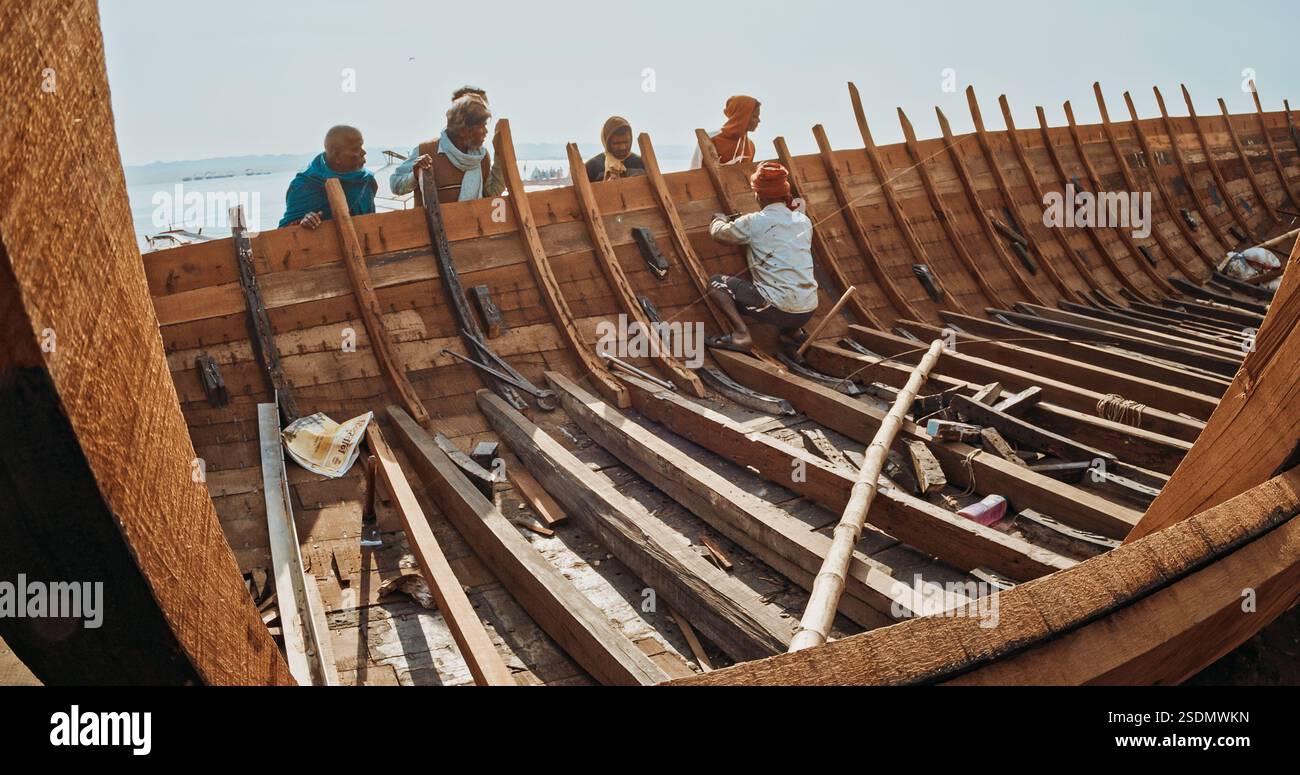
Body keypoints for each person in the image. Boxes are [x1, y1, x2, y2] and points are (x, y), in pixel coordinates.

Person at [705, 161, 818, 353]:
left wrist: (719, 220)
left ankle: (741, 335)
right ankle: (793, 332)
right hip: (808, 309)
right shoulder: (803, 220)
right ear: (785, 194)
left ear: (758, 195)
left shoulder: (754, 221)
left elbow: (720, 234)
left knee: (717, 283)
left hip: (778, 310)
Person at [389, 95, 505, 204]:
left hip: (474, 225)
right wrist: (415, 175)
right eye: (481, 126)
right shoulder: (426, 150)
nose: (486, 131)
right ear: (464, 128)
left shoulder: (481, 157)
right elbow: (395, 185)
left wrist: (499, 155)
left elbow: (491, 194)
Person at [279, 125, 376, 229]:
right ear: (337, 156)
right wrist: (304, 222)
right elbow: (283, 232)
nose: (364, 152)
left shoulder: (367, 180)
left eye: (361, 146)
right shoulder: (303, 186)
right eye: (356, 148)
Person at [690, 95, 760, 168]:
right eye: (755, 116)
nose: (759, 121)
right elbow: (694, 170)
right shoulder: (709, 140)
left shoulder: (751, 146)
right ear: (741, 115)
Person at [584, 116, 646, 182]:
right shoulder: (591, 167)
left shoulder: (642, 163)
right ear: (607, 143)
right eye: (617, 143)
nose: (623, 147)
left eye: (626, 142)